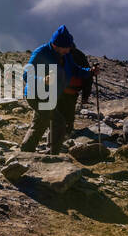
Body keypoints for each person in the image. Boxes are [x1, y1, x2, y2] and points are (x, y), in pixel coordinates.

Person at [20, 25, 94, 154]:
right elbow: (26, 74)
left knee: (40, 122)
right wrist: (43, 80)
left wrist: (90, 72)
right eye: (67, 47)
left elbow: (76, 70)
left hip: (50, 95)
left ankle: (26, 151)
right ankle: (52, 155)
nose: (69, 49)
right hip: (36, 95)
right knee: (59, 122)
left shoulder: (66, 55)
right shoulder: (41, 52)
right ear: (57, 45)